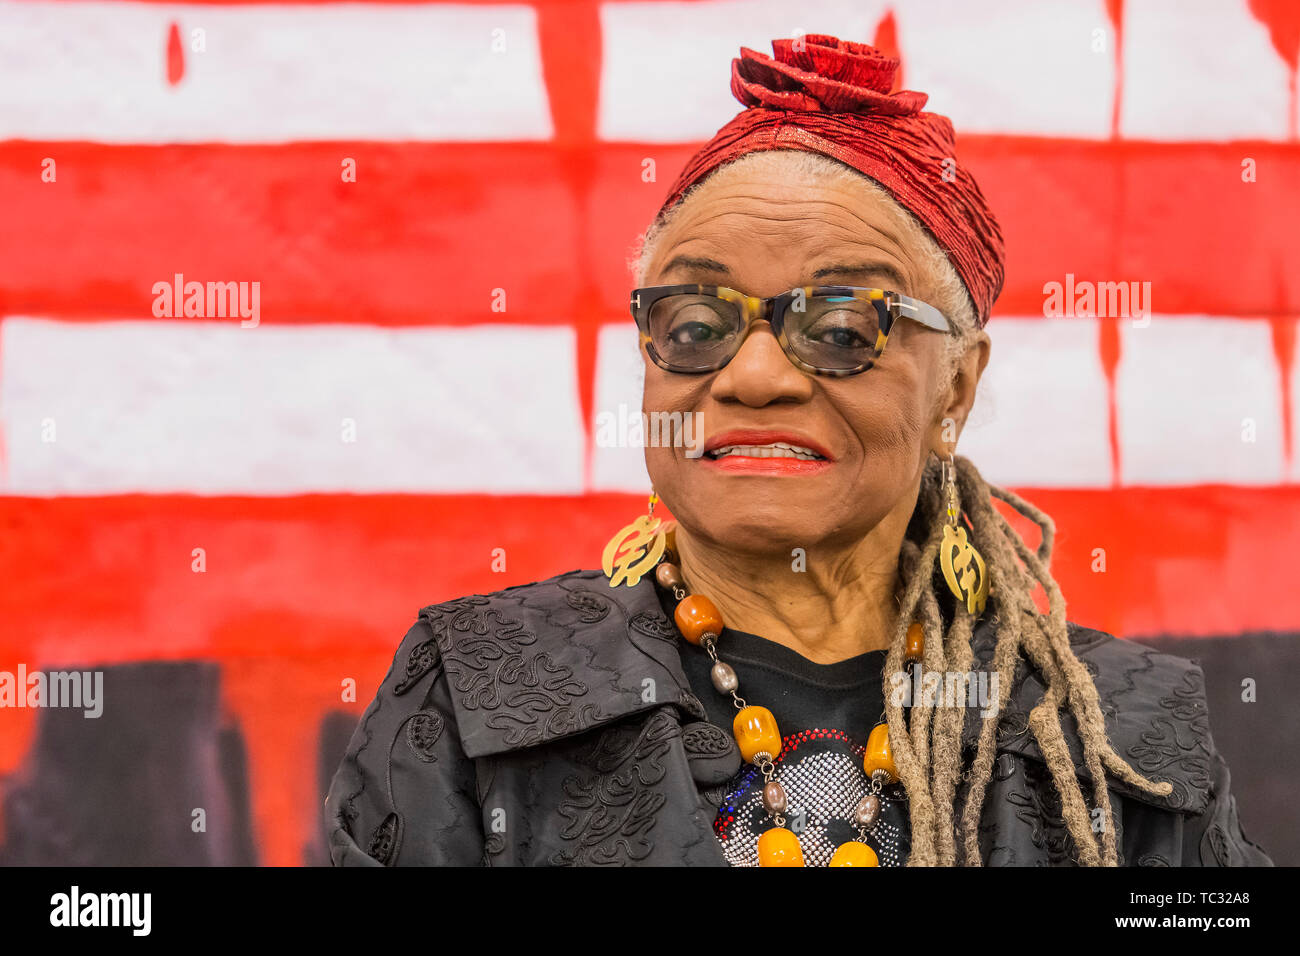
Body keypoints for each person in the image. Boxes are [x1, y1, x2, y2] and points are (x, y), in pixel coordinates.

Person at [325, 34, 1272, 867]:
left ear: (956, 387)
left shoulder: (1112, 734)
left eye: (840, 323)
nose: (756, 378)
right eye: (696, 321)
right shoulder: (482, 684)